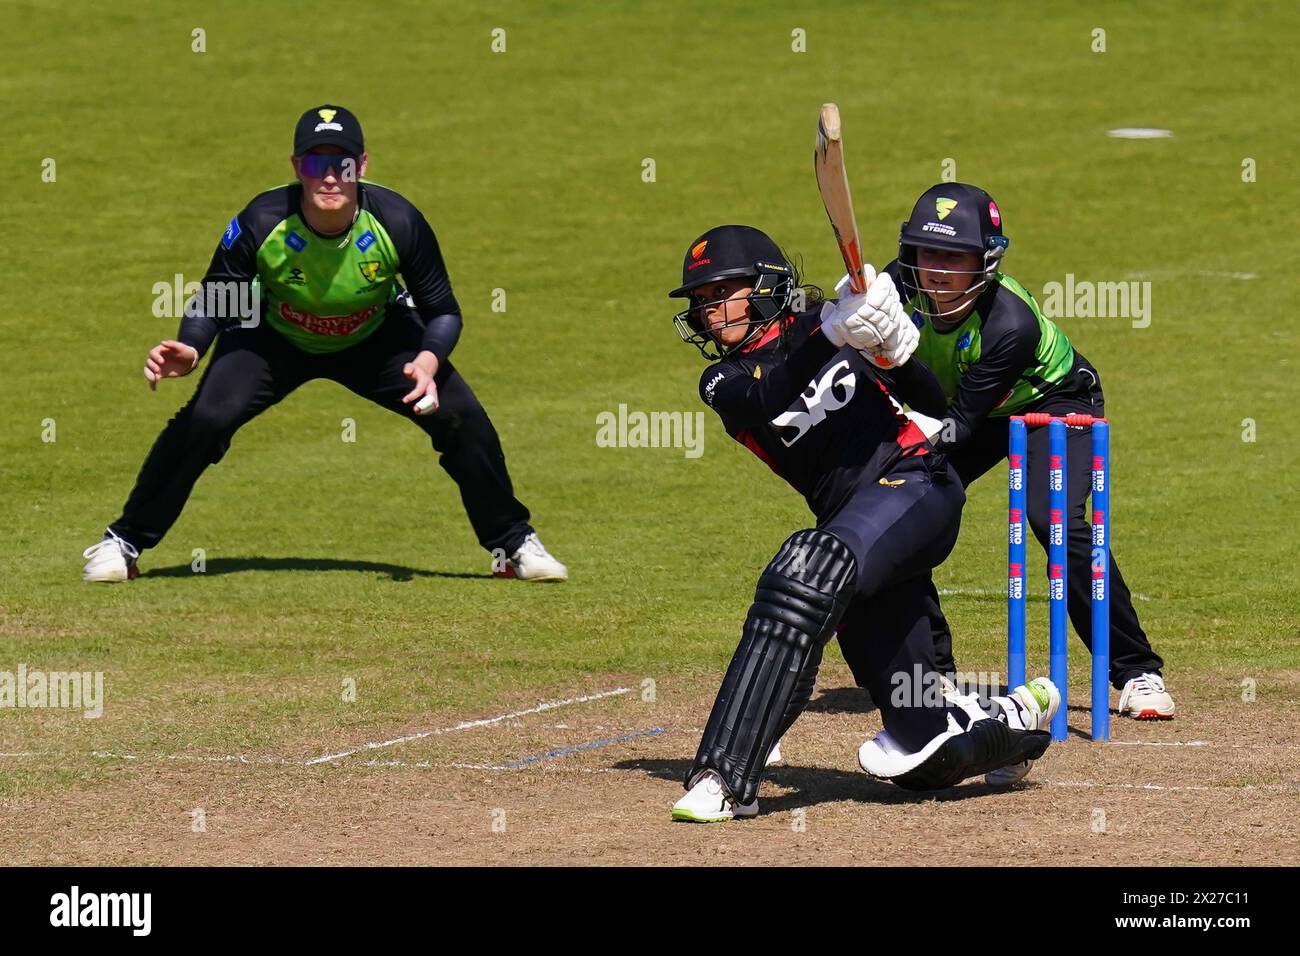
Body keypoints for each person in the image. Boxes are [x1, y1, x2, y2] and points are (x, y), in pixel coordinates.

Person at [666, 224, 1060, 823]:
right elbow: (769, 395)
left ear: (768, 287)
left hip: (916, 482)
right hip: (856, 532)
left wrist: (893, 347)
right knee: (919, 751)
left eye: (725, 292)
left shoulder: (825, 317)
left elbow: (932, 403)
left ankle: (724, 776)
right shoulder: (723, 381)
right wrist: (832, 335)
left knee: (805, 570)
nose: (710, 311)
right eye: (702, 301)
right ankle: (1014, 721)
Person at [81, 105, 566, 583]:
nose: (331, 177)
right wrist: (190, 349)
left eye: (344, 164)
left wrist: (426, 359)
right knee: (207, 419)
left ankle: (514, 545)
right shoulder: (260, 220)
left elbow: (442, 311)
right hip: (273, 335)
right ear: (297, 169)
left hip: (375, 337)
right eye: (317, 164)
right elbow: (215, 300)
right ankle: (123, 543)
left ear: (363, 166)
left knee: (462, 419)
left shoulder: (399, 222)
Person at [871, 182, 1173, 719]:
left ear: (984, 261)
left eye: (954, 256)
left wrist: (892, 355)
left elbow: (955, 424)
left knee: (1054, 519)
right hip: (967, 409)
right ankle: (932, 679)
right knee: (899, 509)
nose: (937, 268)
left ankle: (1136, 671)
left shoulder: (1010, 323)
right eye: (927, 251)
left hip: (1053, 401)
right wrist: (847, 322)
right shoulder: (892, 290)